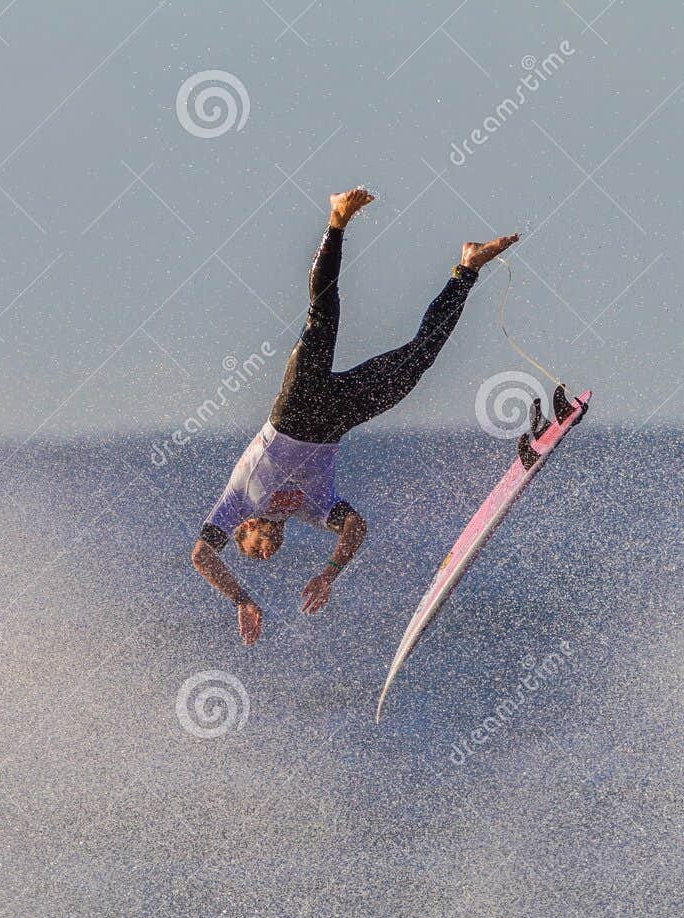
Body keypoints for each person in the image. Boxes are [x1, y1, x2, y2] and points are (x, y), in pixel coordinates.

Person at [191, 187, 518, 644]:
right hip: (338, 417)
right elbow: (355, 525)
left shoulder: (237, 504)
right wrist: (328, 574)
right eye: (264, 557)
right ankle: (468, 267)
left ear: (244, 530)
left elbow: (202, 556)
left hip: (295, 408)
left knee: (323, 315)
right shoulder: (310, 509)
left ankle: (338, 218)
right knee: (418, 360)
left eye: (253, 552)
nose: (266, 555)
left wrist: (241, 599)